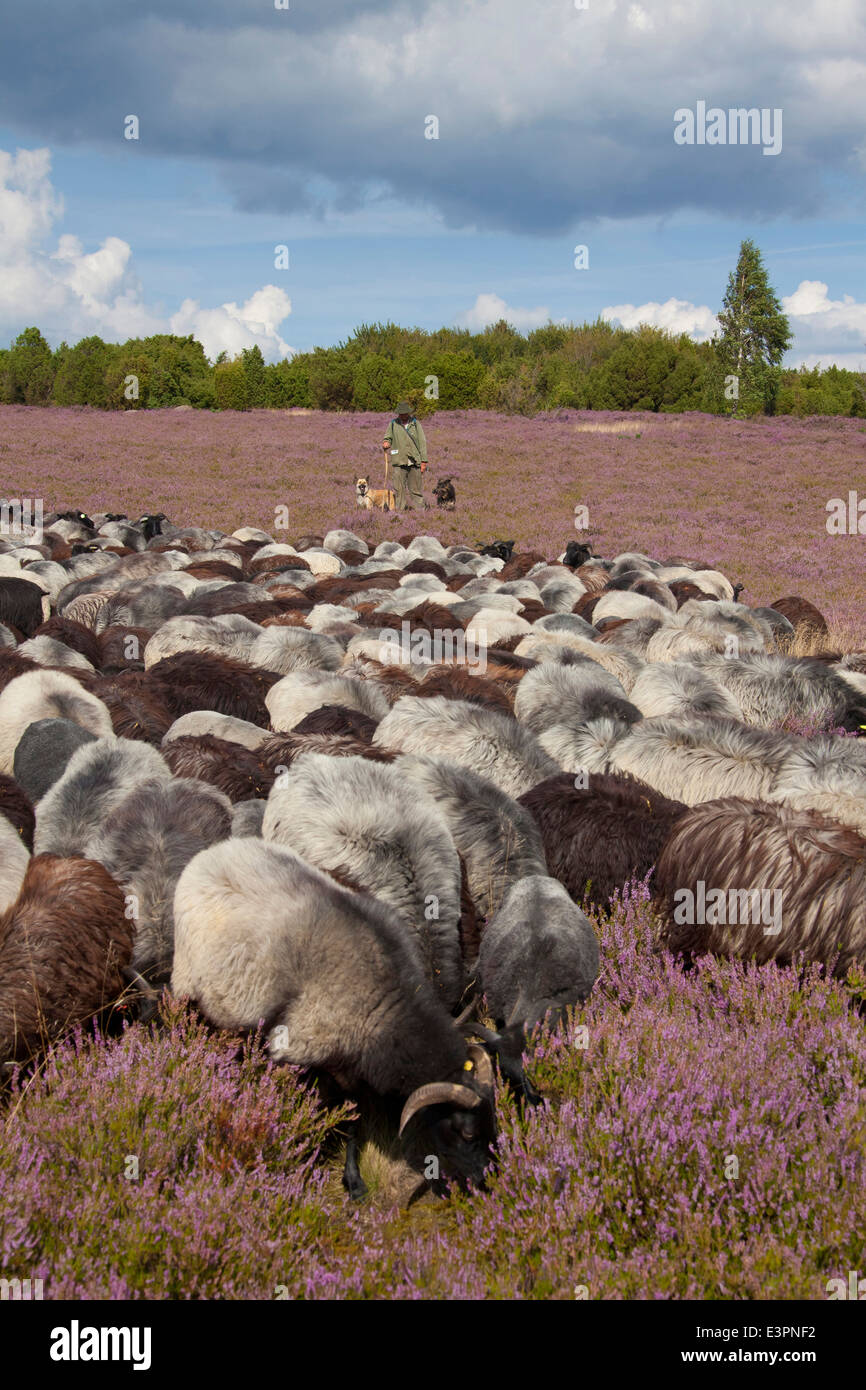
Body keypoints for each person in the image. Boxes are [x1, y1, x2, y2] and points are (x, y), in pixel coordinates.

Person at [383, 401, 428, 510]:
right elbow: (387, 437)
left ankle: (421, 512)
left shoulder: (416, 424)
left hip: (414, 461)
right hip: (398, 461)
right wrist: (386, 442)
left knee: (415, 490)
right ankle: (399, 512)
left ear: (408, 413)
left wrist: (424, 461)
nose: (402, 415)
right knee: (399, 490)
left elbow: (422, 442)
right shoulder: (393, 424)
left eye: (404, 413)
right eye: (400, 414)